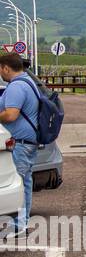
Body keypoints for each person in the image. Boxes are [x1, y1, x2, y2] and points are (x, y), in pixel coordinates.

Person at [0, 51, 39, 237]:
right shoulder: (29, 82)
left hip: (20, 144)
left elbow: (11, 114)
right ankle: (21, 223)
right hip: (28, 142)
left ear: (6, 67)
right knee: (25, 182)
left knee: (19, 183)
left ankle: (18, 225)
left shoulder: (16, 87)